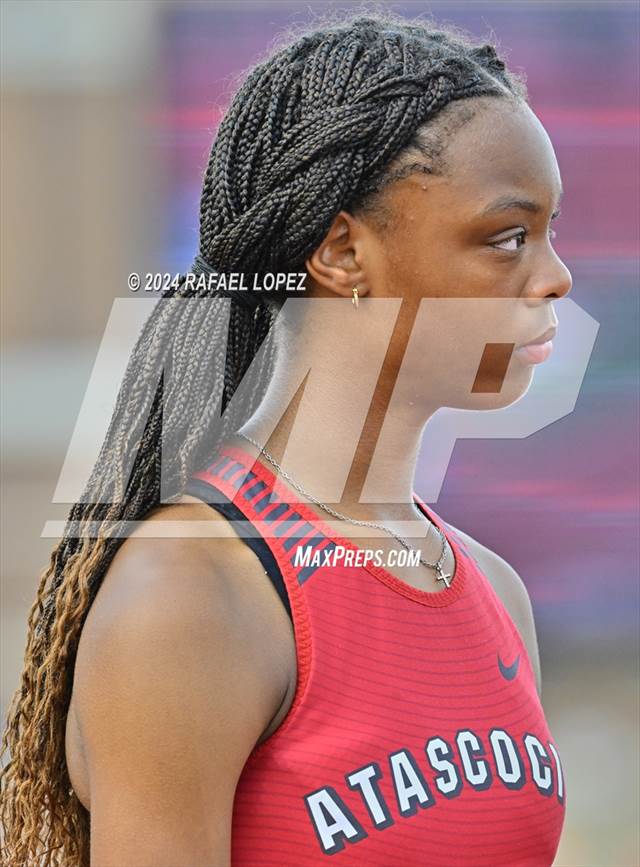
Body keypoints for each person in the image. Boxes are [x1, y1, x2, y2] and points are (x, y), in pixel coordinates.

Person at [1, 10, 572, 866]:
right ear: (342, 253)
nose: (556, 276)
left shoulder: (495, 591)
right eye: (508, 238)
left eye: (552, 233)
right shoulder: (193, 593)